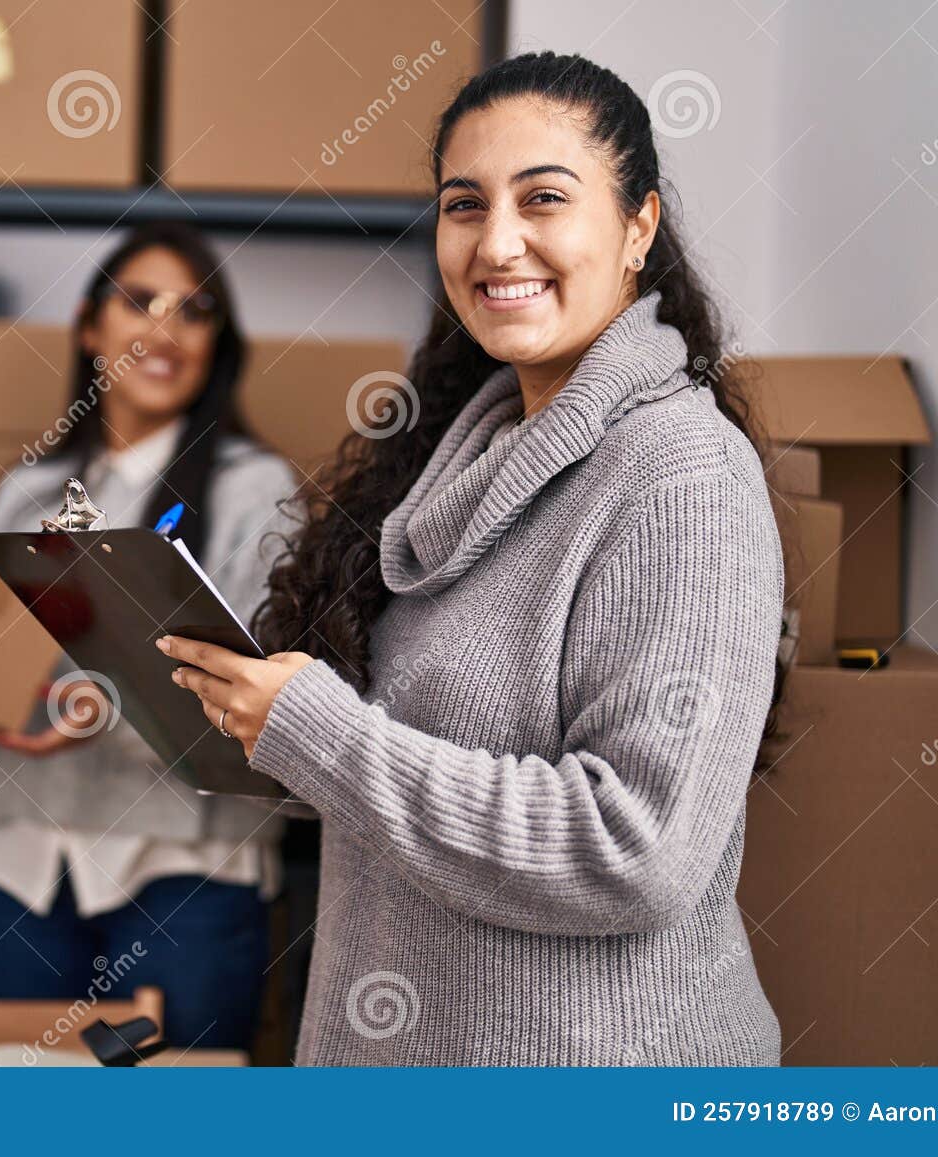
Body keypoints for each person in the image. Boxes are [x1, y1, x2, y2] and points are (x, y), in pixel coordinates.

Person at [159, 52, 785, 1065]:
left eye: (544, 198)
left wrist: (324, 734)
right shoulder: (462, 455)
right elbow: (402, 783)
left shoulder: (683, 476)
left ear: (639, 227)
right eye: (464, 205)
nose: (496, 242)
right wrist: (257, 718)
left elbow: (636, 851)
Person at [0, 222, 296, 1051]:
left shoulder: (256, 491)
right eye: (139, 302)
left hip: (184, 865)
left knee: (177, 1105)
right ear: (88, 326)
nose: (165, 331)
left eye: (194, 312)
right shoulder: (27, 493)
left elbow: (248, 696)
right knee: (21, 1104)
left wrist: (93, 706)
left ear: (218, 345)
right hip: (27, 863)